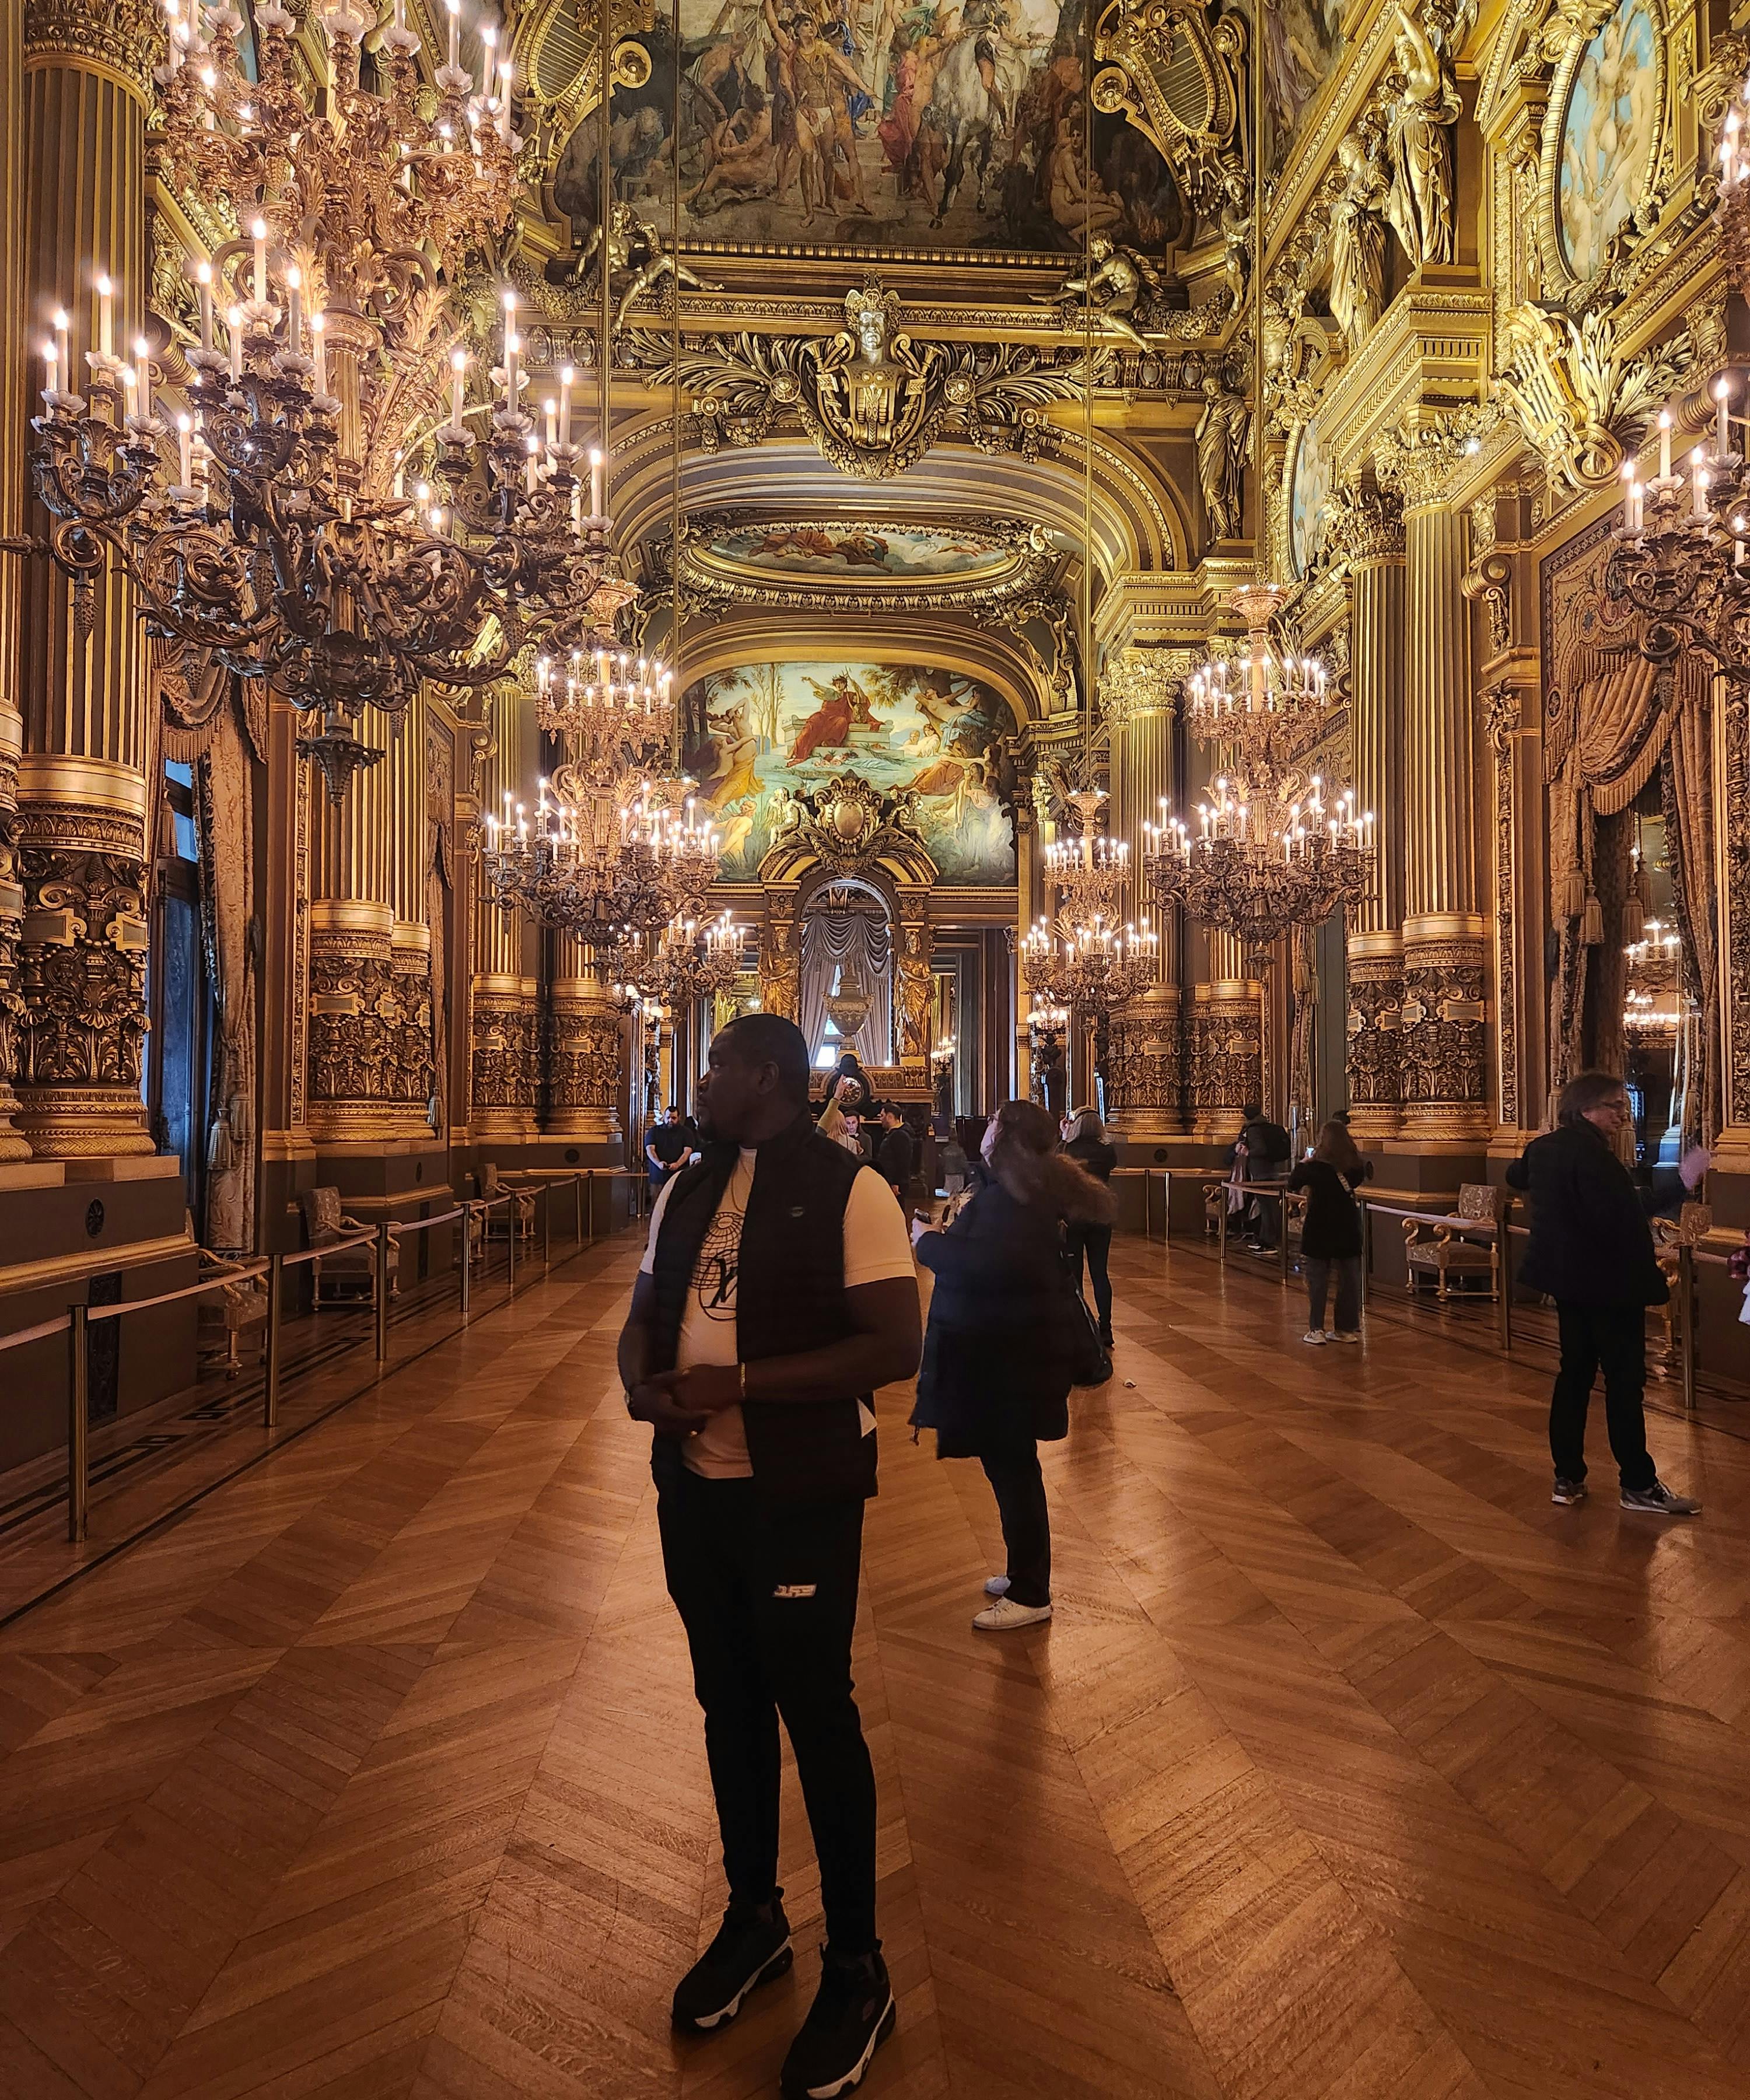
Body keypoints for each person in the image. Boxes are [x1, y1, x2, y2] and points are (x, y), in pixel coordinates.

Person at [616, 1014, 922, 2095]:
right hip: (695, 1496)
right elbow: (647, 1310)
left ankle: (859, 1967)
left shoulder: (852, 1190)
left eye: (714, 1065)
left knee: (816, 1711)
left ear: (766, 1077)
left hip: (799, 1498)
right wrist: (640, 1386)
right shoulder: (686, 1186)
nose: (699, 1078)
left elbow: (894, 1345)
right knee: (727, 1703)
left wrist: (738, 1387)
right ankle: (756, 1916)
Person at [911, 1100, 1114, 1630]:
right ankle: (1022, 1570)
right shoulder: (1021, 1195)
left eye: (997, 1123)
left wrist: (926, 1243)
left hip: (1009, 1359)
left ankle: (1030, 1590)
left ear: (1010, 1140)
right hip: (1014, 1352)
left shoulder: (1012, 1202)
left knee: (1014, 1472)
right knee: (1012, 1469)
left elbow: (981, 1268)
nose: (987, 1128)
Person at [1505, 1070, 1709, 1515]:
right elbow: (1629, 1215)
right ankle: (1637, 1483)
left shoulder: (1544, 1148)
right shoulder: (1594, 1157)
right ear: (1585, 1110)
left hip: (1567, 1282)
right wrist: (1683, 1181)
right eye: (1614, 1106)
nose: (1624, 1114)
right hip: (1608, 1285)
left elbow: (1514, 1173)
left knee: (1574, 1375)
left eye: (1623, 1104)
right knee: (1624, 1384)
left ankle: (1568, 1477)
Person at [1289, 1121, 1367, 1345]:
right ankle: (1346, 1328)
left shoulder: (1316, 1168)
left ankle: (1317, 1329)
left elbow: (1293, 1183)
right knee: (1349, 1281)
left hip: (1320, 1226)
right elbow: (1356, 1181)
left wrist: (1304, 1162)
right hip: (1347, 1226)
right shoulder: (1354, 1167)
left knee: (1318, 1280)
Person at [1059, 1105, 1116, 1348]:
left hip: (1074, 1217)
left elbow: (1055, 1167)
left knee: (1074, 1274)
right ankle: (1106, 1328)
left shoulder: (1068, 1150)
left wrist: (1064, 1135)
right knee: (1100, 1273)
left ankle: (1081, 1327)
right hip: (1101, 1217)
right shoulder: (1108, 1152)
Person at [1236, 1099, 1291, 1250]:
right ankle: (1268, 1238)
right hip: (1272, 1170)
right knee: (1268, 1206)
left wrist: (1248, 1152)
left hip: (1261, 1173)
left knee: (1266, 1207)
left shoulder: (1253, 1129)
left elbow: (1261, 1150)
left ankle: (1267, 1241)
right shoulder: (1270, 1127)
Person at [646, 1104, 690, 1203]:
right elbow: (650, 1150)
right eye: (668, 1117)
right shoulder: (654, 1132)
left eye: (673, 1118)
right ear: (664, 1117)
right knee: (657, 1205)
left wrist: (678, 1164)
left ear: (679, 1118)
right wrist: (659, 1163)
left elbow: (687, 1151)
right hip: (658, 1176)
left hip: (679, 1176)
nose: (670, 1120)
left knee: (677, 1205)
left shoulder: (686, 1133)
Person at [874, 1102, 914, 1206]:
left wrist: (896, 1183)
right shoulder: (892, 1134)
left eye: (882, 1116)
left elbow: (903, 1161)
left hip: (896, 1185)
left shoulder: (900, 1135)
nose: (880, 1119)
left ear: (890, 1116)